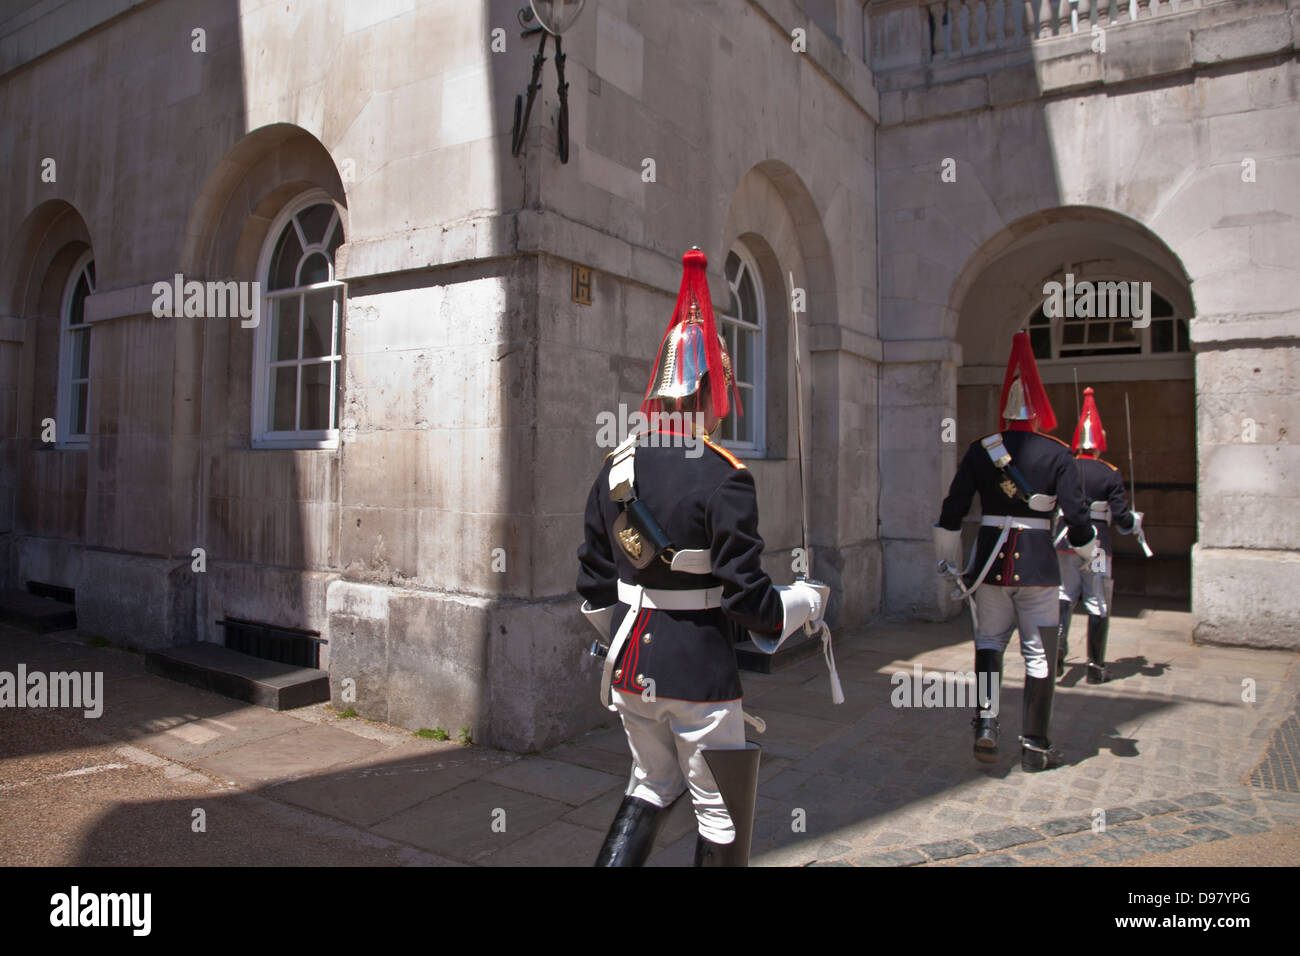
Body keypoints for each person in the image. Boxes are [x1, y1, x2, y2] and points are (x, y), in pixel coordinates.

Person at [576, 247, 824, 865]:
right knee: (720, 810)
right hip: (701, 673)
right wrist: (806, 603)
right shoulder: (725, 476)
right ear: (712, 387)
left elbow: (591, 580)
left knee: (649, 785)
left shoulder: (618, 464)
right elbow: (750, 602)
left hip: (631, 665)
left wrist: (624, 630)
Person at [933, 331, 1097, 772]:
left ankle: (986, 726)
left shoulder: (982, 449)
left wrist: (948, 559)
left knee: (988, 642)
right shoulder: (1059, 454)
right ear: (1038, 412)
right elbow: (1078, 515)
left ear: (1004, 406)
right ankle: (1036, 745)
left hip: (990, 564)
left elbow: (953, 509)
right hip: (1041, 568)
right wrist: (1087, 551)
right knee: (1040, 654)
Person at [1054, 387, 1144, 684]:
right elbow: (1121, 518)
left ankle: (1056, 655)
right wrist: (1134, 522)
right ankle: (1094, 667)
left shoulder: (1065, 465)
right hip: (1096, 548)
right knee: (1097, 602)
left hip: (1066, 543)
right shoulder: (1109, 473)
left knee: (1064, 595)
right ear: (1100, 443)